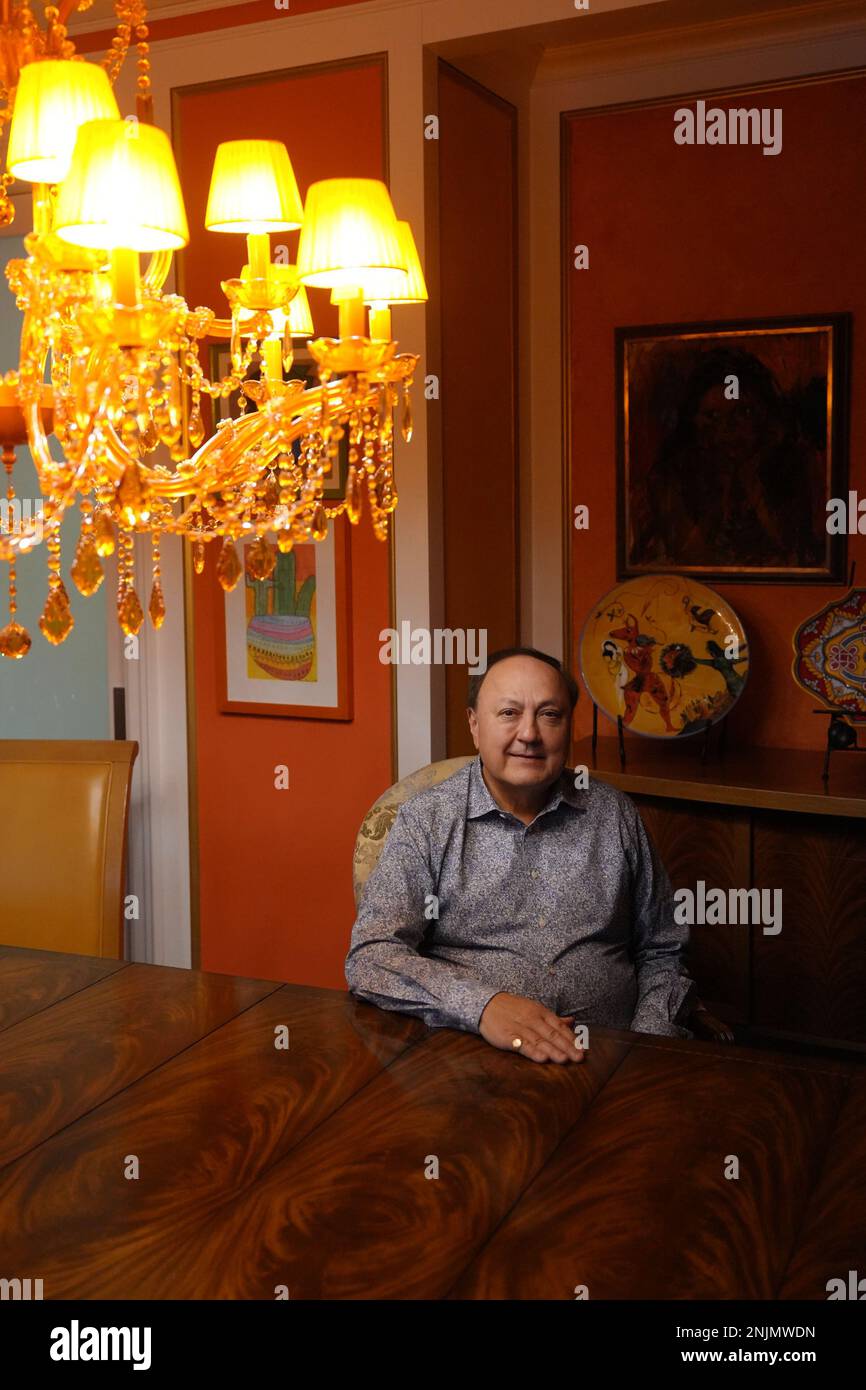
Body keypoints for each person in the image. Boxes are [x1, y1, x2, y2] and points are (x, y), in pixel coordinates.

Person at [345, 646, 698, 1065]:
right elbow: (371, 958)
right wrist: (483, 1006)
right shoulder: (428, 820)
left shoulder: (614, 814)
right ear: (474, 724)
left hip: (608, 1060)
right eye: (508, 713)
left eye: (549, 715)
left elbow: (663, 950)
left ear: (568, 727)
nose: (529, 734)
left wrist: (646, 1050)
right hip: (467, 1062)